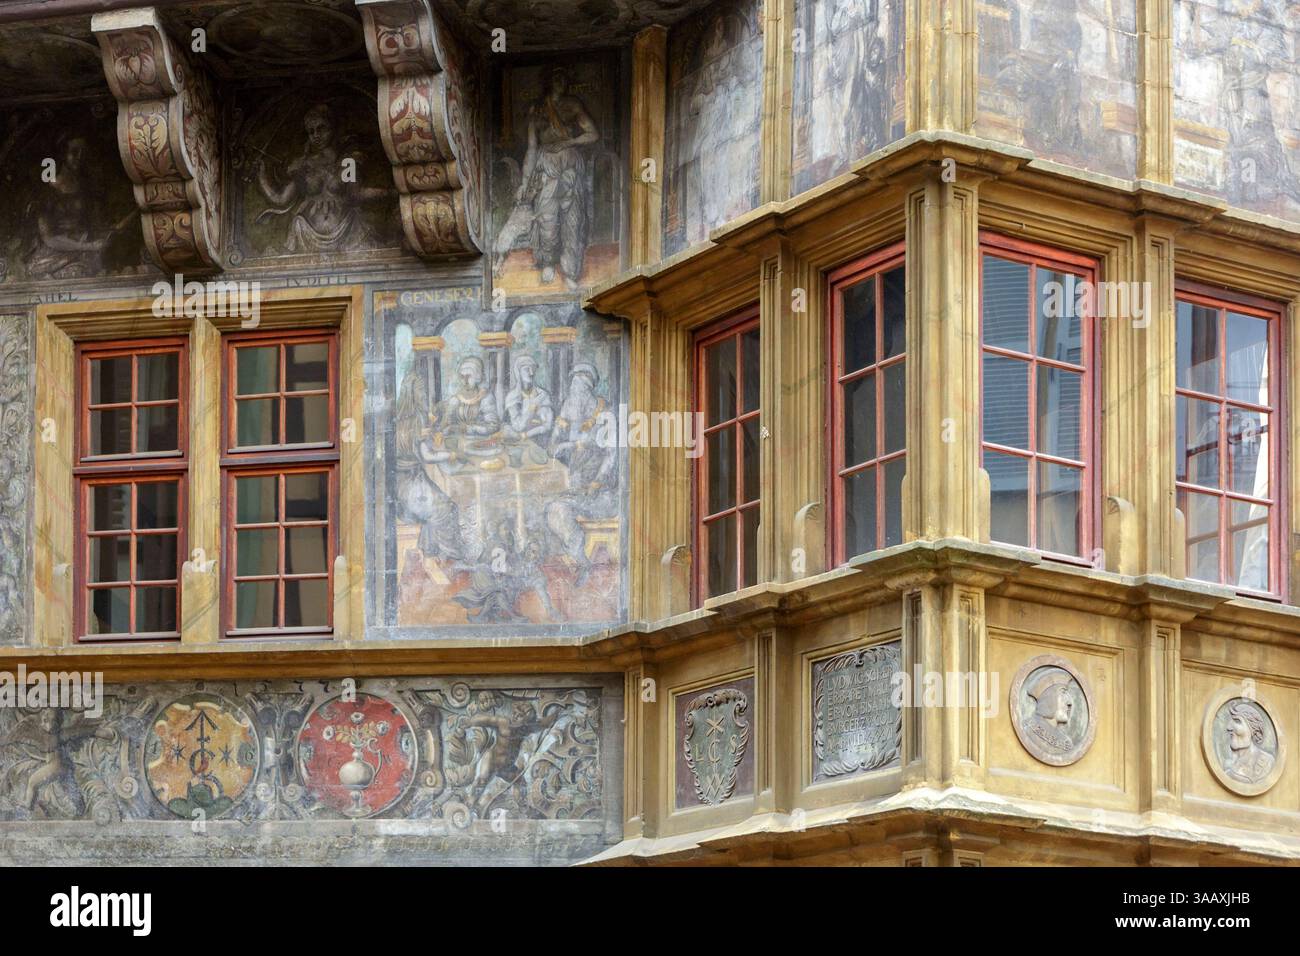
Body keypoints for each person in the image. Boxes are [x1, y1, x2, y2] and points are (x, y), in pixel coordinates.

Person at [493, 67, 599, 289]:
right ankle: (548, 262)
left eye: (563, 77)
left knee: (572, 218)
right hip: (545, 166)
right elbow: (532, 148)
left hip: (569, 164)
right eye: (556, 77)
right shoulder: (538, 109)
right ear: (549, 82)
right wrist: (524, 182)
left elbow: (593, 134)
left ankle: (571, 270)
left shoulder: (573, 105)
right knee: (546, 217)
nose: (560, 81)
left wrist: (570, 142)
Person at [254, 102, 388, 253]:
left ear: (333, 128)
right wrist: (262, 175)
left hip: (348, 231)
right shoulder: (303, 166)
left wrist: (390, 193)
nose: (316, 135)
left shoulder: (346, 162)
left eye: (321, 128)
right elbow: (281, 198)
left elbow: (355, 195)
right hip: (304, 235)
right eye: (311, 132)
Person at [503, 354, 554, 442]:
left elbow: (547, 426)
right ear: (519, 373)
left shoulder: (542, 395)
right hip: (517, 441)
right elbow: (518, 426)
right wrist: (531, 410)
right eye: (527, 369)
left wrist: (527, 434)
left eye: (533, 369)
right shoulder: (512, 397)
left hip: (540, 442)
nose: (531, 373)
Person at [1223, 700, 1276, 783]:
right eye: (1230, 721)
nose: (1229, 727)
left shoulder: (1267, 762)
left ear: (1253, 730)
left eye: (1237, 721)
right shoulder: (1227, 767)